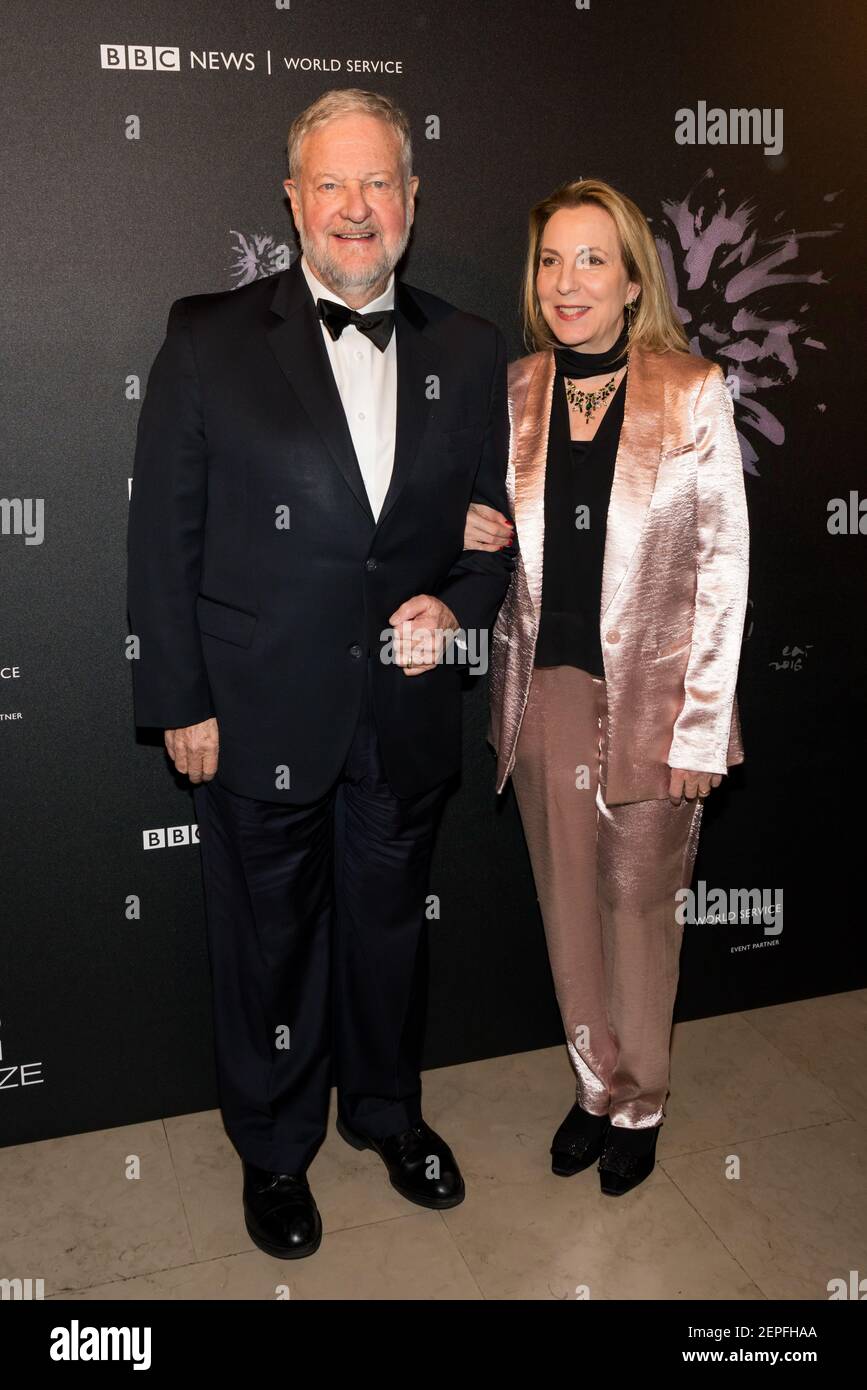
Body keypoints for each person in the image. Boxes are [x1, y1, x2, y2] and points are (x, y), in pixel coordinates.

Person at [127, 88, 513, 1258]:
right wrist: (178, 697)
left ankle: (389, 1116)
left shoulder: (468, 345)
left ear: (412, 199)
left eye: (379, 183)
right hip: (253, 708)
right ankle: (277, 1148)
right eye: (331, 184)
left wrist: (450, 609)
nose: (357, 209)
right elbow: (164, 538)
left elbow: (495, 538)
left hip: (398, 716)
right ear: (293, 199)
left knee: (390, 930)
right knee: (269, 938)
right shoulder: (206, 335)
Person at [465, 178, 749, 1196]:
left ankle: (642, 1104)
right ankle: (593, 1089)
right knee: (567, 909)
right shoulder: (515, 391)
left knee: (638, 911)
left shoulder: (690, 388)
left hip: (656, 703)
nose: (568, 280)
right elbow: (484, 528)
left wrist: (703, 730)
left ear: (634, 280)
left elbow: (724, 571)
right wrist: (471, 528)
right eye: (551, 260)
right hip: (543, 693)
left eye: (592, 259)